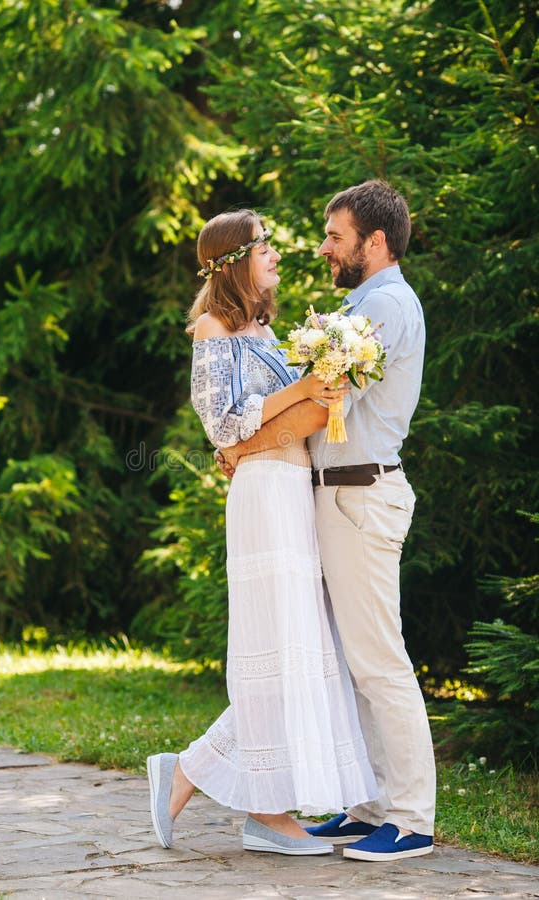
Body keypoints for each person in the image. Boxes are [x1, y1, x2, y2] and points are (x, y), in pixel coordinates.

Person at [146, 208, 378, 857]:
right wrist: (300, 389)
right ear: (233, 260)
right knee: (276, 648)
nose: (276, 255)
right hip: (261, 499)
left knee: (298, 647)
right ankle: (255, 807)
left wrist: (325, 392)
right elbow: (220, 425)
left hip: (292, 490)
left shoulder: (267, 330)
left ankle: (218, 783)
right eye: (265, 247)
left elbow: (279, 419)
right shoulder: (213, 326)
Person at [216, 181, 436, 862]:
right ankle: (369, 806)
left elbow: (322, 405)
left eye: (335, 236)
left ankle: (410, 818)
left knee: (378, 660)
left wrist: (240, 446)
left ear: (375, 242)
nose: (323, 248)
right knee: (351, 659)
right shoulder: (359, 306)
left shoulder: (385, 308)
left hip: (359, 496)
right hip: (332, 494)